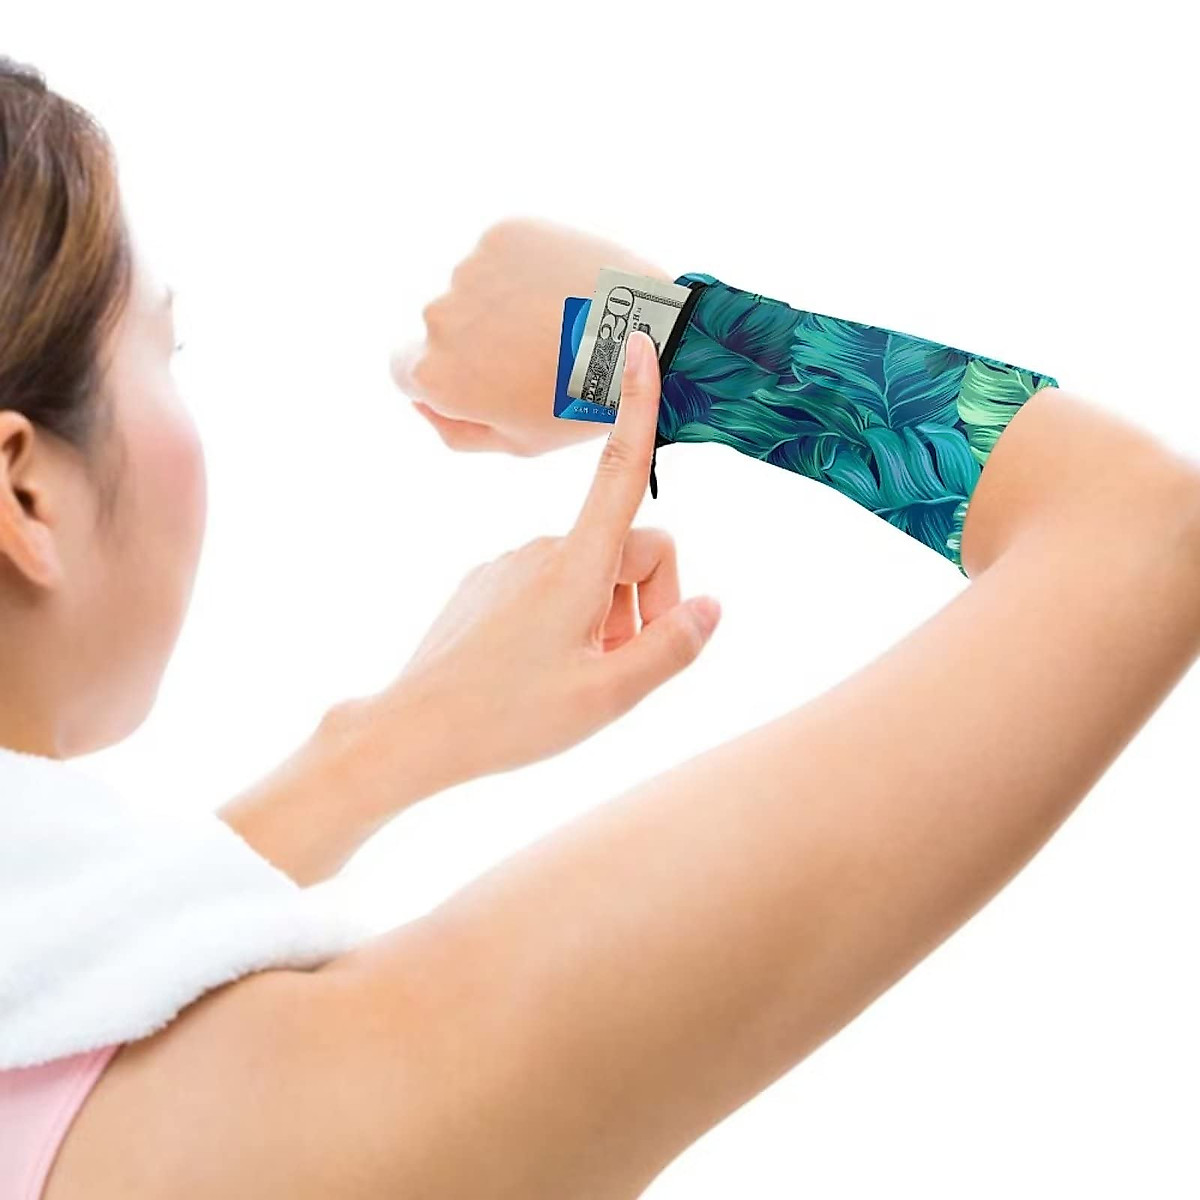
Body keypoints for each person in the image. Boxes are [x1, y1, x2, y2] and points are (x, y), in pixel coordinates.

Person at [3, 62, 1198, 1200]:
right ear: (23, 492)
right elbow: (1144, 530)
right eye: (165, 350)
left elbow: (80, 963)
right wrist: (682, 346)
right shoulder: (294, 1111)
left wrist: (380, 745)